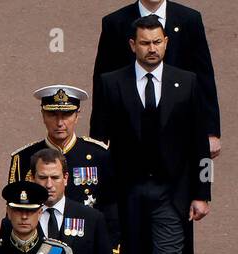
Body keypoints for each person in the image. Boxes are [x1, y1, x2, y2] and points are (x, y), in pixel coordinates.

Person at [89, 15, 211, 254]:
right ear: (133, 46)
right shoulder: (112, 83)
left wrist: (203, 193)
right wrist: (99, 195)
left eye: (157, 42)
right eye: (145, 43)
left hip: (170, 193)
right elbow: (100, 140)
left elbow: (199, 145)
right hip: (126, 192)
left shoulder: (186, 82)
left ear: (166, 43)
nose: (152, 48)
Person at [93, 1, 220, 158]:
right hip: (130, 127)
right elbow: (102, 80)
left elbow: (204, 75)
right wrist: (98, 137)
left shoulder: (189, 19)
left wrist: (210, 131)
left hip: (178, 123)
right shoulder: (114, 22)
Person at [5, 86, 119, 241]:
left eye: (66, 114)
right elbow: (13, 214)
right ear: (43, 115)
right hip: (38, 253)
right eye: (52, 114)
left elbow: (111, 211)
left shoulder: (99, 155)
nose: (59, 122)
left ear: (77, 116)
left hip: (85, 247)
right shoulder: (24, 157)